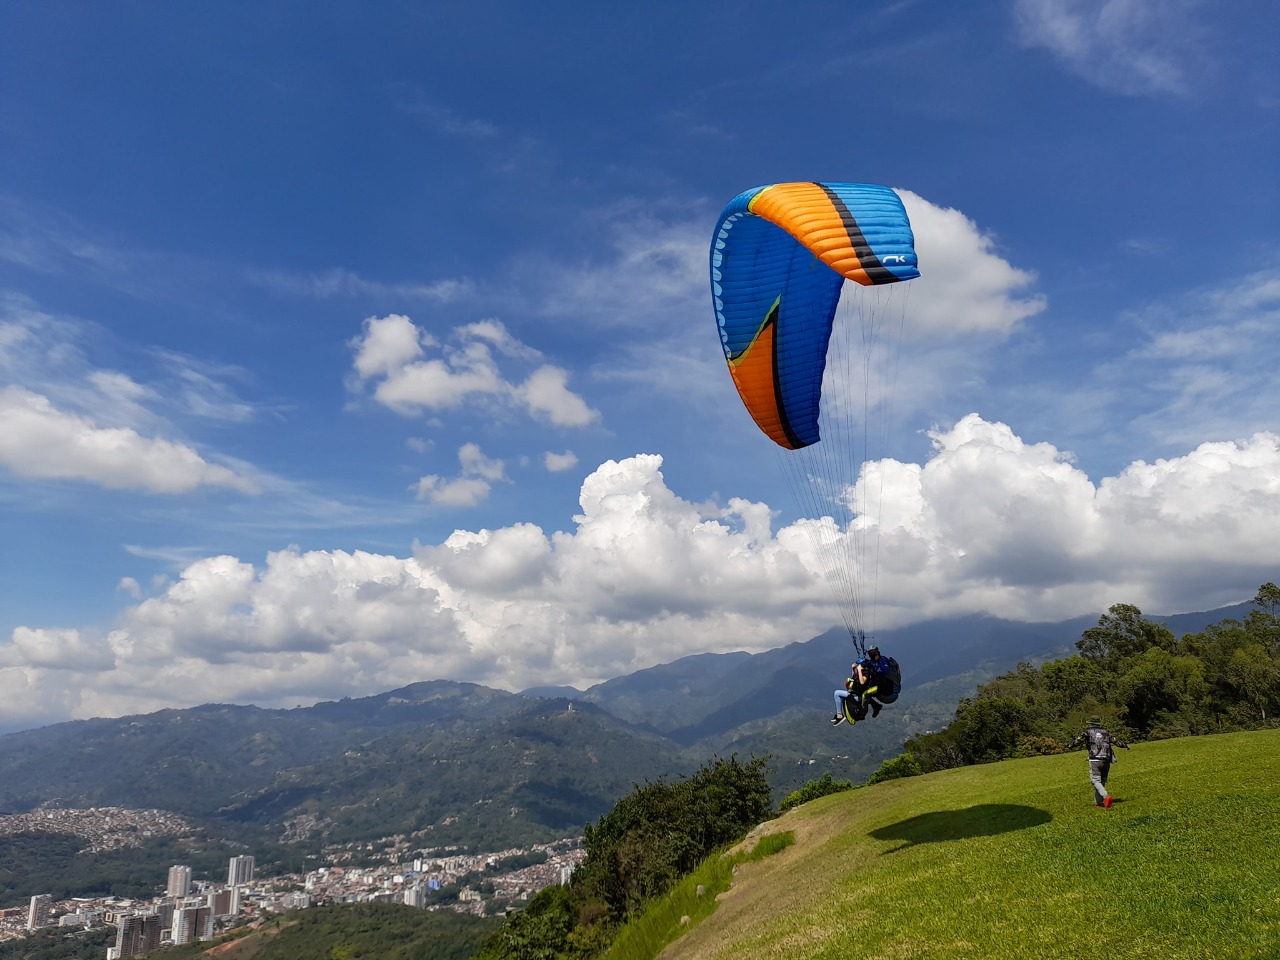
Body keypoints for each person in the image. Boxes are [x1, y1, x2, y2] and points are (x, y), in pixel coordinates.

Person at [1067, 716, 1129, 808]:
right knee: (1102, 781)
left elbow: (1079, 740)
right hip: (1106, 759)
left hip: (1095, 758)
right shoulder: (1106, 732)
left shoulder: (1087, 731)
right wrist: (1125, 746)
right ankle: (1098, 803)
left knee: (1095, 780)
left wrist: (1070, 745)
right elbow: (1116, 742)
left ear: (1090, 723)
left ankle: (1106, 796)